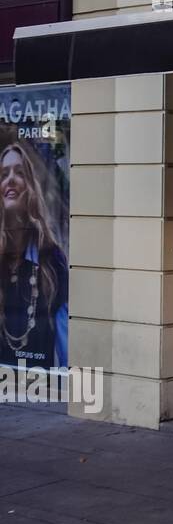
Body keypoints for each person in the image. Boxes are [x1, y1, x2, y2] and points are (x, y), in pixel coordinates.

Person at [0, 142, 68, 369]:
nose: (10, 179)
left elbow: (66, 348)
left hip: (39, 390)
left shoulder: (52, 261)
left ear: (30, 187)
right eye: (3, 174)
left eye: (19, 173)